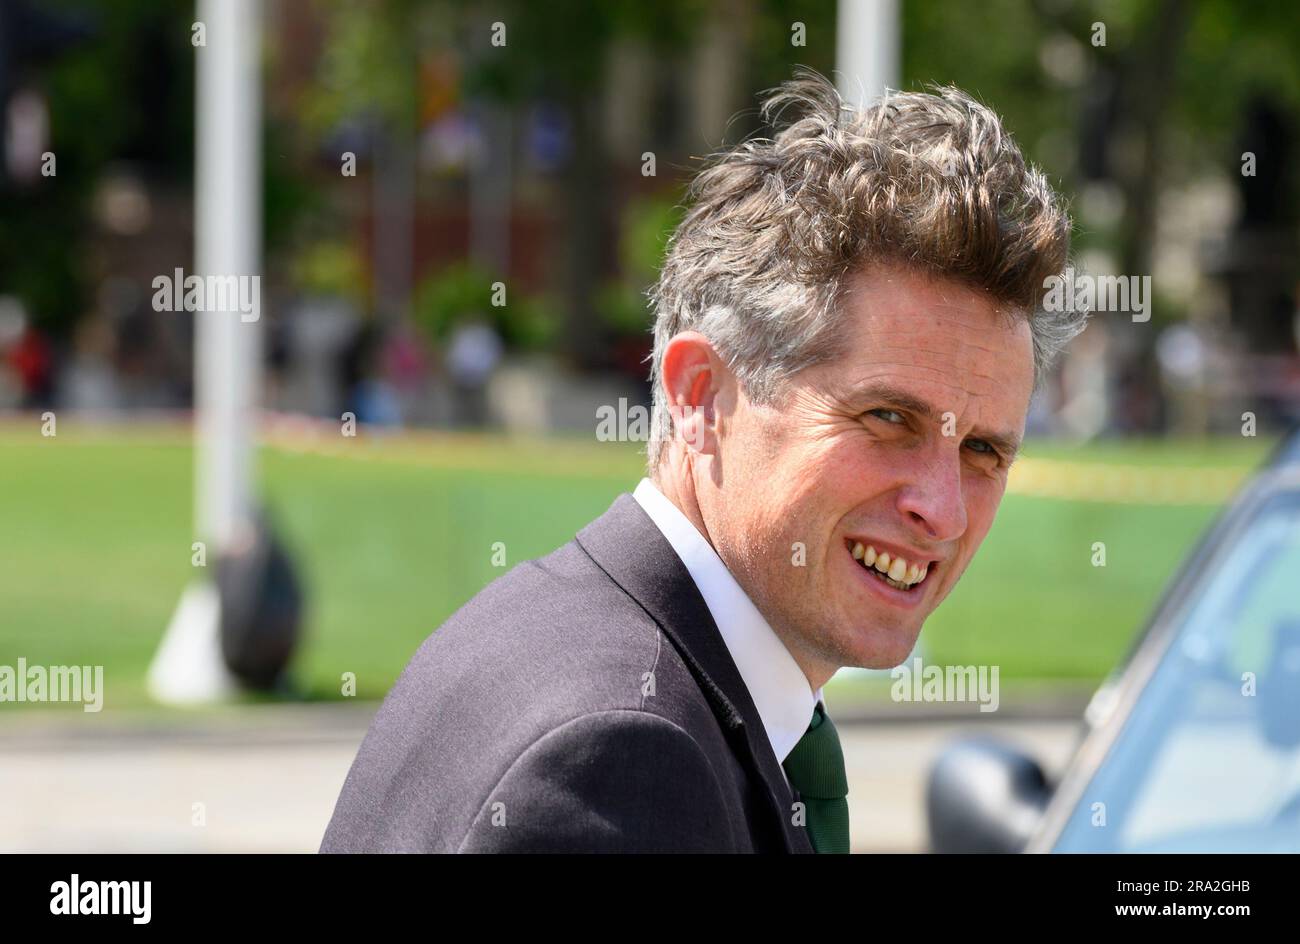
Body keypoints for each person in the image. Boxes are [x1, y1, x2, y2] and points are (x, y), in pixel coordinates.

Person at [320, 71, 1087, 853]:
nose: (944, 508)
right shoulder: (624, 759)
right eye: (888, 418)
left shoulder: (563, 649)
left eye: (984, 450)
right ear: (700, 396)